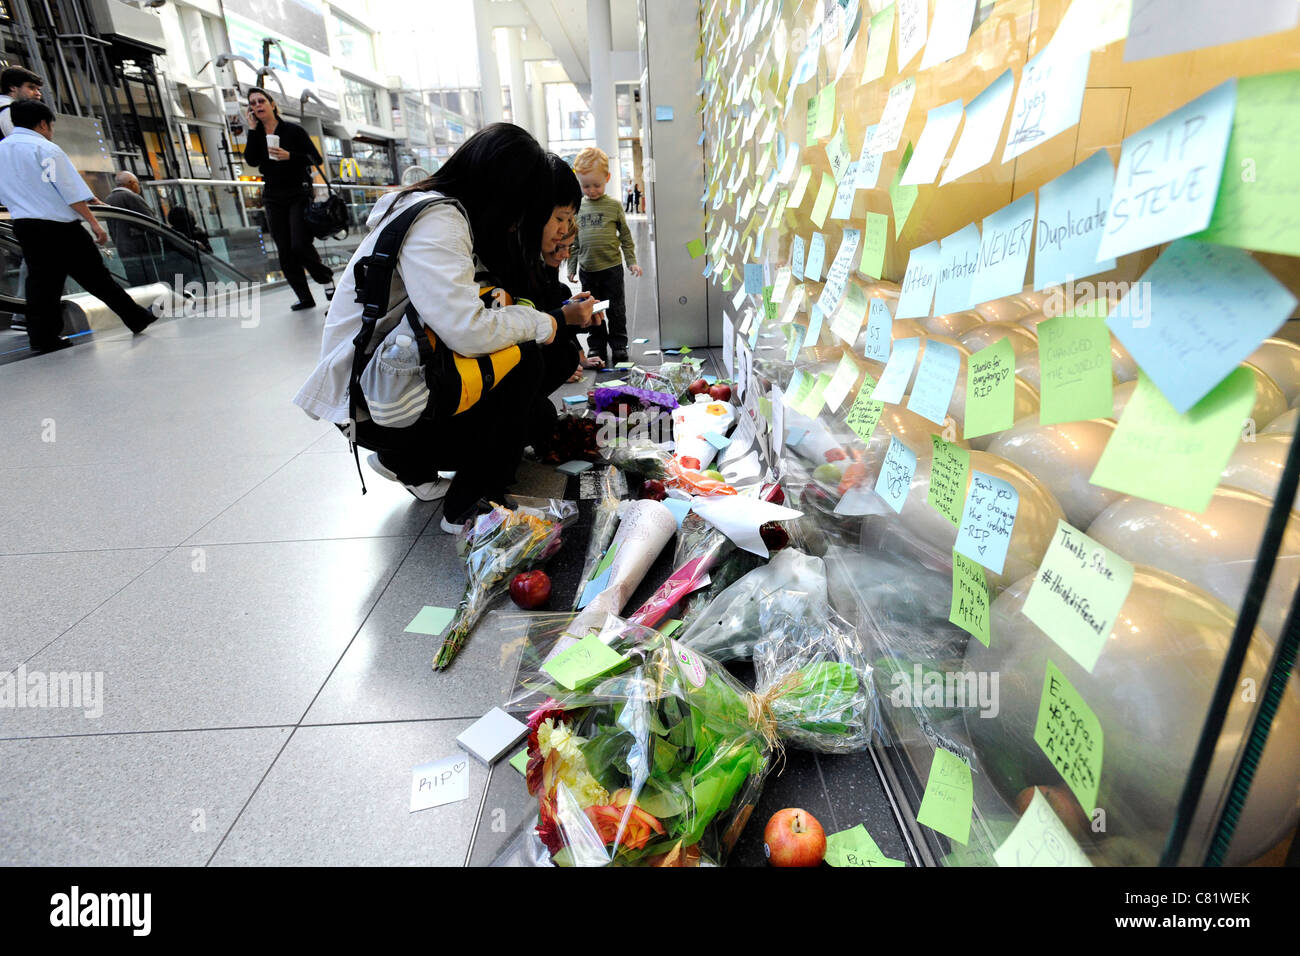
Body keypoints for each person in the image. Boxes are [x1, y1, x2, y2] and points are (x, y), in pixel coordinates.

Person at [293, 123, 598, 530]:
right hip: (377, 403)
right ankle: (470, 509)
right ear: (505, 193)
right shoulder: (439, 221)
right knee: (524, 363)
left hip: (389, 388)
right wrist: (545, 321)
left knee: (535, 406)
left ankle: (409, 462)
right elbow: (467, 329)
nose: (525, 221)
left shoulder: (453, 217)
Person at [0, 99, 157, 353]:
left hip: (25, 225)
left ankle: (42, 338)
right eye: (51, 126)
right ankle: (135, 317)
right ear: (42, 124)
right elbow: (69, 191)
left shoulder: (2, 150)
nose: (51, 131)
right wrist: (94, 223)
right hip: (60, 228)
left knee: (41, 284)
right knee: (97, 277)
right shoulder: (45, 148)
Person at [242, 87, 334, 310]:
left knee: (300, 244)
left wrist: (289, 156)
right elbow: (252, 160)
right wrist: (252, 130)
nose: (257, 106)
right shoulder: (257, 134)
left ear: (272, 104)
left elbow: (316, 158)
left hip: (297, 193)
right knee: (284, 249)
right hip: (273, 196)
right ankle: (304, 296)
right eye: (253, 103)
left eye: (261, 101)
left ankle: (326, 278)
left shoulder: (293, 130)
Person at [568, 146, 641, 368]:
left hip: (611, 268)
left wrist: (631, 261)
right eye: (586, 186)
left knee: (616, 309)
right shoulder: (578, 208)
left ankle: (619, 344)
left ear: (607, 178)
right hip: (588, 270)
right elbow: (574, 242)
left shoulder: (614, 206)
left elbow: (625, 237)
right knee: (593, 309)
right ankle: (597, 344)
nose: (591, 190)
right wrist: (571, 267)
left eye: (596, 185)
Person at [104, 170, 161, 287]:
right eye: (137, 183)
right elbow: (151, 222)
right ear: (131, 183)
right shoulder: (131, 197)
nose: (138, 187)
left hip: (123, 250)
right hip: (142, 250)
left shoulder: (109, 199)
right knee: (151, 283)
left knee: (136, 281)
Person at [0, 65, 42, 139]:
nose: (38, 94)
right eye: (31, 88)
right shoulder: (8, 110)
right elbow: (18, 143)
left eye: (38, 89)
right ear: (12, 87)